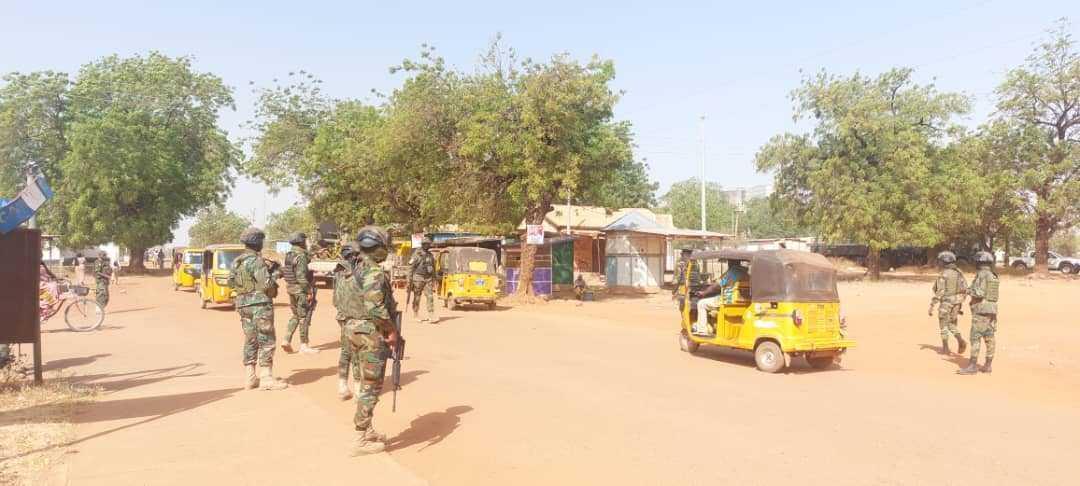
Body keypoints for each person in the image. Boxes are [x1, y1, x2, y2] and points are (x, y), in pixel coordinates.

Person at [342, 226, 399, 455]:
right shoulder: (374, 272)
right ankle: (360, 438)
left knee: (365, 381)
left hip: (352, 330)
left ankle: (367, 430)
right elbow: (375, 308)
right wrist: (391, 330)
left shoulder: (354, 270)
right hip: (370, 333)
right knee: (371, 385)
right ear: (377, 248)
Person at [229, 227, 287, 391]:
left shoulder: (237, 261)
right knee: (266, 338)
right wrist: (275, 274)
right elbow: (266, 284)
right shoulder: (256, 261)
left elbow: (231, 283)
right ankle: (267, 377)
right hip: (260, 305)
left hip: (243, 304)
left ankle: (250, 377)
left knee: (250, 339)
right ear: (257, 242)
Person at [959, 251, 999, 375]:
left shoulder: (982, 274)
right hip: (991, 309)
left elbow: (980, 293)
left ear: (980, 262)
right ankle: (988, 365)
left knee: (975, 337)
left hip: (981, 310)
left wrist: (967, 290)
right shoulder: (993, 275)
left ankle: (972, 366)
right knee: (989, 337)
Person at [281, 232, 317, 355]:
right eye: (305, 240)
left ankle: (286, 339)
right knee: (304, 317)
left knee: (296, 315)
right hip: (300, 290)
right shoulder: (301, 256)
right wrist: (308, 291)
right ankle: (304, 345)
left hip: (291, 288)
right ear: (301, 241)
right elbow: (301, 276)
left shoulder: (289, 255)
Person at [692, 260, 749, 336]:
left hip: (728, 300)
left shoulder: (732, 272)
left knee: (701, 303)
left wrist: (704, 293)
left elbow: (717, 286)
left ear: (731, 262)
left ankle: (702, 330)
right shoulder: (746, 273)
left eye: (728, 261)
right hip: (743, 302)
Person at [332, 243, 359, 400]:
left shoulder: (338, 272)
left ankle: (342, 385)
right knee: (356, 352)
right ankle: (357, 388)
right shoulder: (356, 272)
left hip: (343, 317)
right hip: (356, 318)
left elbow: (335, 300)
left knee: (345, 351)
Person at [929, 251, 968, 355]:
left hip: (946, 302)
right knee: (951, 324)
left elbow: (940, 291)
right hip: (957, 302)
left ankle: (945, 348)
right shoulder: (959, 272)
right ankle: (960, 340)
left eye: (940, 261)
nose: (939, 263)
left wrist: (932, 305)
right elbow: (965, 288)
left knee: (943, 323)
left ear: (945, 262)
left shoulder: (944, 274)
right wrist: (959, 301)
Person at [408, 238, 437, 323]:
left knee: (430, 296)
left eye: (429, 244)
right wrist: (409, 280)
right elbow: (410, 268)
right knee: (417, 297)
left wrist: (434, 278)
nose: (428, 246)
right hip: (418, 278)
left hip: (428, 278)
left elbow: (433, 267)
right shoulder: (417, 254)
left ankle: (431, 315)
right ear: (423, 244)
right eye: (426, 244)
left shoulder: (430, 255)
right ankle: (416, 314)